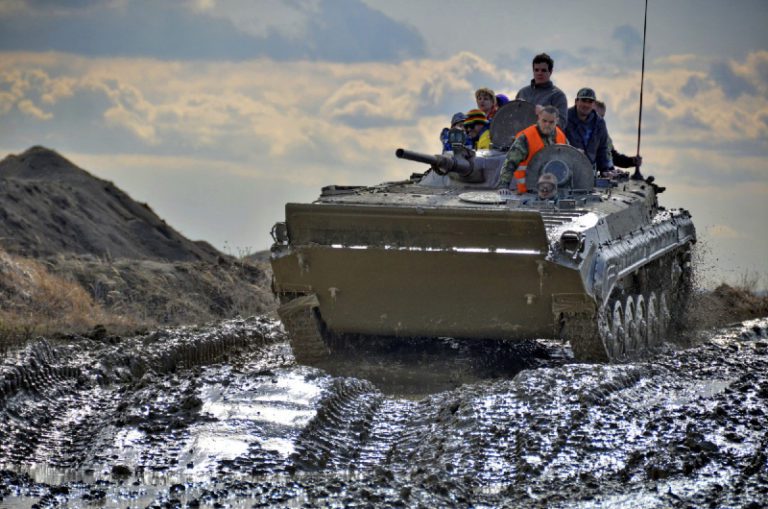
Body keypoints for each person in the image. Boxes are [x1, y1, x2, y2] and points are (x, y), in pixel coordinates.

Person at [497, 106, 567, 192]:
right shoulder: (526, 138)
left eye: (551, 122)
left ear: (557, 120)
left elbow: (569, 163)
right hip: (528, 192)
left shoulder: (562, 137)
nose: (547, 125)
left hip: (555, 191)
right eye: (544, 121)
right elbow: (510, 163)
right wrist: (503, 186)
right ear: (539, 118)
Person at [565, 88, 611, 175]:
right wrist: (572, 151)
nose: (586, 104)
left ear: (593, 104)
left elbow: (602, 148)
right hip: (567, 168)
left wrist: (604, 170)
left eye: (590, 102)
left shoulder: (599, 123)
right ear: (576, 101)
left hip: (589, 171)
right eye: (583, 100)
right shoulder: (565, 118)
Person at [515, 53, 568, 128]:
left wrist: (545, 113)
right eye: (536, 70)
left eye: (543, 70)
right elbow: (513, 118)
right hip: (522, 137)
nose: (539, 73)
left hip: (544, 138)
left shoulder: (558, 96)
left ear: (550, 72)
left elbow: (562, 124)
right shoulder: (523, 92)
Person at [593, 100, 642, 171]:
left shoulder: (604, 137)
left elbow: (613, 158)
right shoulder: (574, 130)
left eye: (601, 116)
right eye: (595, 114)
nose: (598, 119)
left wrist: (631, 161)